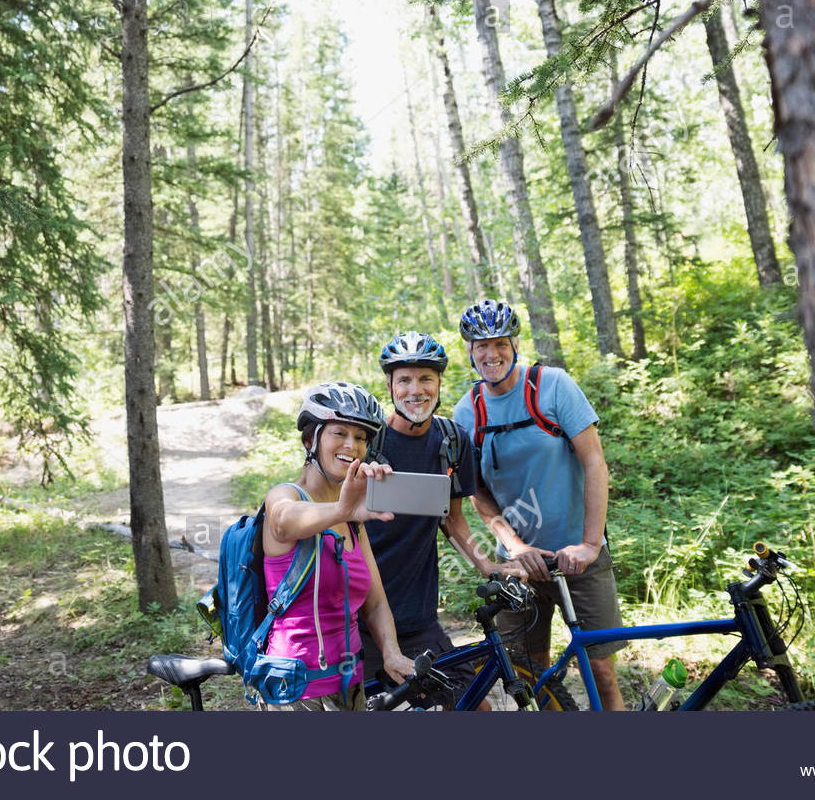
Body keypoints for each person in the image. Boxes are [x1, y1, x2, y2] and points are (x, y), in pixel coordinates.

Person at [452, 299, 628, 710]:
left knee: (601, 671)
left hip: (579, 557)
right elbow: (478, 493)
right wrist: (516, 548)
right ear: (470, 352)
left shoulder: (553, 385)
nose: (491, 354)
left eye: (500, 343)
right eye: (481, 346)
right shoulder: (467, 412)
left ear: (514, 344)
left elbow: (594, 462)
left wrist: (588, 544)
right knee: (531, 675)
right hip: (518, 566)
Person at [359, 331, 512, 709]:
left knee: (473, 705)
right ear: (390, 386)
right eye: (405, 379)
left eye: (426, 378)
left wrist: (488, 566)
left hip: (417, 617)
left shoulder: (452, 440)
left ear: (440, 382)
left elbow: (454, 521)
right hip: (357, 618)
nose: (416, 390)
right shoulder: (367, 440)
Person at [259, 381, 414, 710]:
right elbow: (283, 519)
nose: (352, 445)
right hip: (295, 692)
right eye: (339, 433)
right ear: (309, 440)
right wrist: (341, 510)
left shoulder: (354, 519)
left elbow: (374, 603)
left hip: (349, 686)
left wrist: (391, 653)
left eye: (360, 437)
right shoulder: (285, 496)